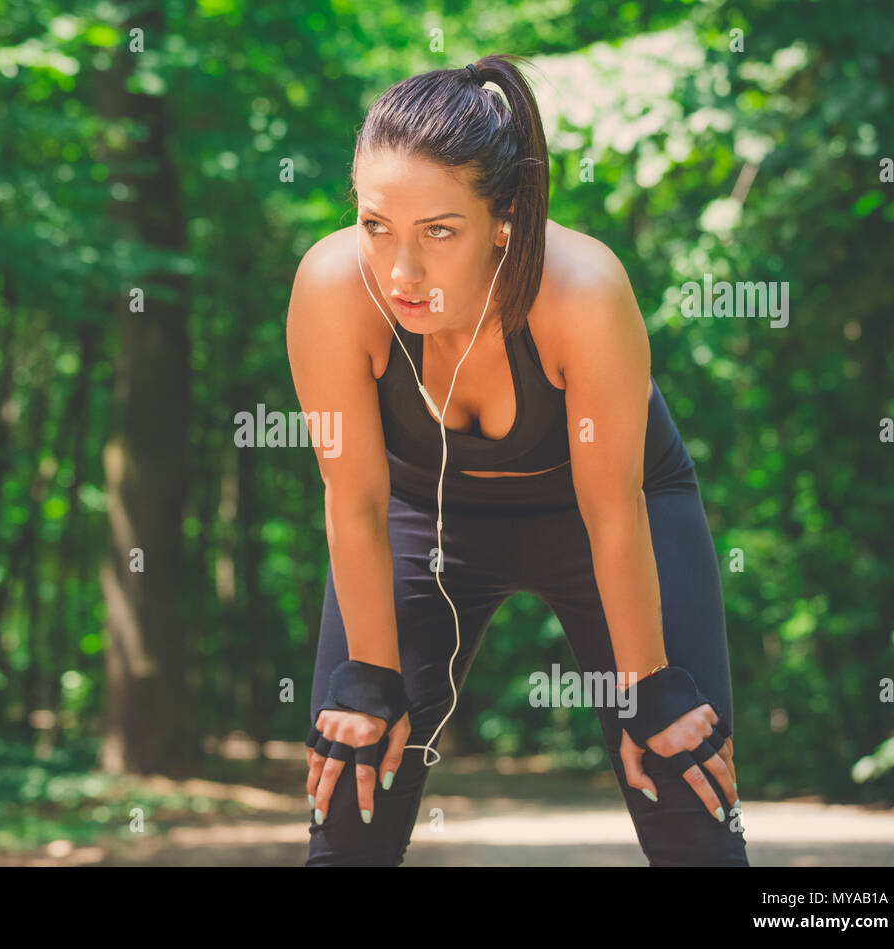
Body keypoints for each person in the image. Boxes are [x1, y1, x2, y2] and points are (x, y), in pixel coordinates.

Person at [285, 54, 748, 866]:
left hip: (607, 513)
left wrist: (651, 691)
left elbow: (614, 511)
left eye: (439, 231)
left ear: (505, 216)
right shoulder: (332, 289)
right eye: (376, 225)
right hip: (420, 520)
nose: (402, 270)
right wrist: (369, 679)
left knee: (682, 778)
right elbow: (353, 501)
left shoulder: (582, 290)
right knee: (354, 779)